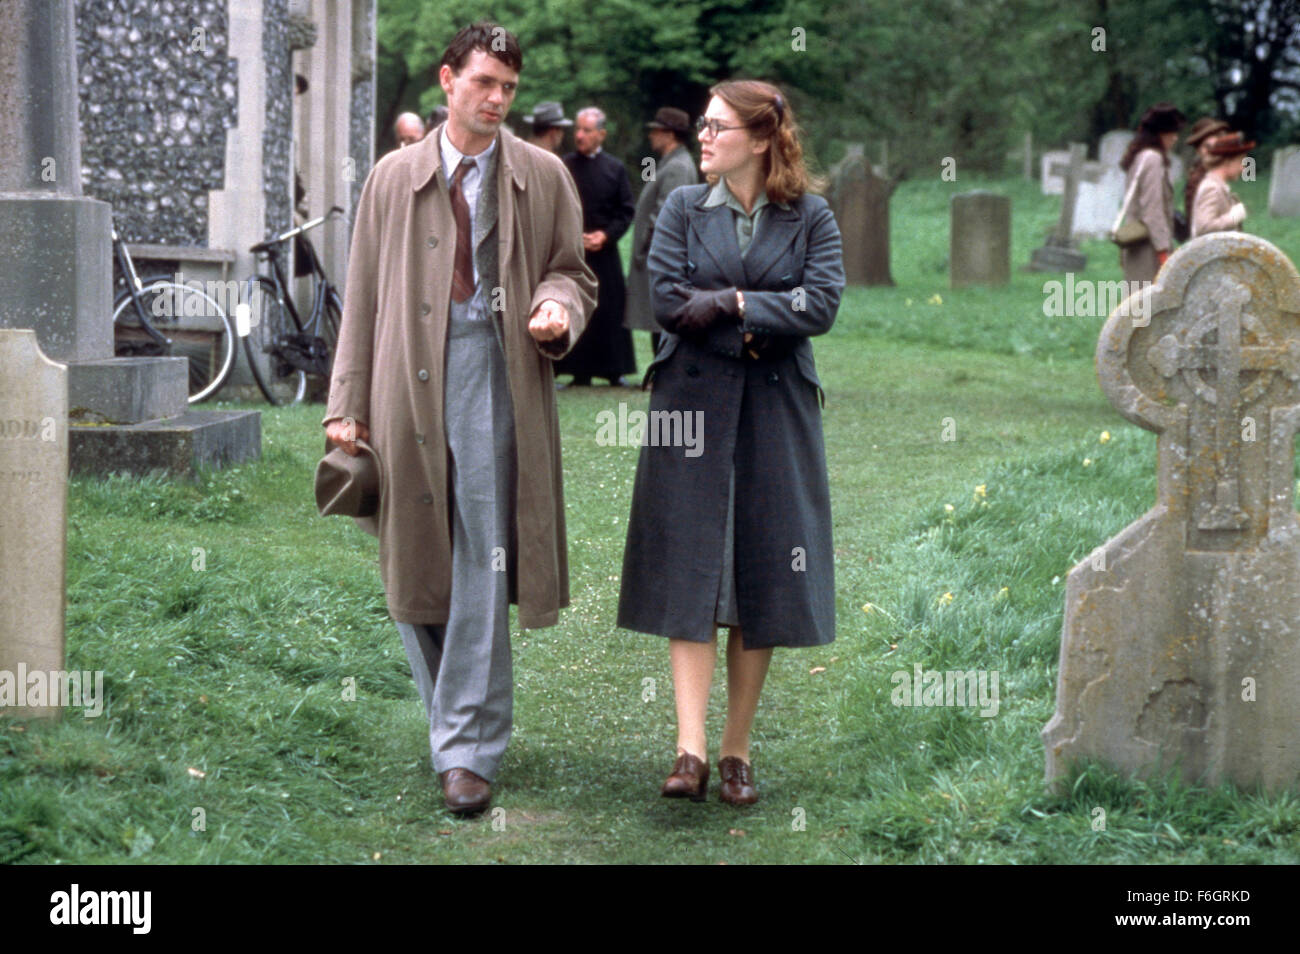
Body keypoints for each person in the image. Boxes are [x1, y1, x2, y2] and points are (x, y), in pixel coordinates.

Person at [322, 21, 596, 815]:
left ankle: (468, 750)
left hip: (496, 370)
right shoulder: (391, 177)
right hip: (402, 379)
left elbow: (573, 274)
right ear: (448, 81)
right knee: (413, 556)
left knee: (486, 553)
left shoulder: (543, 175)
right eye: (484, 84)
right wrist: (345, 404)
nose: (497, 100)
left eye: (508, 89)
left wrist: (553, 305)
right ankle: (458, 727)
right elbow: (363, 296)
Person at [617, 80, 844, 805]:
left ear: (762, 137)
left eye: (717, 127)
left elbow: (822, 304)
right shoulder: (684, 206)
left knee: (764, 566)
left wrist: (737, 301)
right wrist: (752, 311)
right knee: (691, 565)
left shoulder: (811, 216)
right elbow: (667, 302)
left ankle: (737, 750)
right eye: (703, 126)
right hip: (690, 405)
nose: (703, 138)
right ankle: (688, 750)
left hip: (777, 408)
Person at [555, 107, 638, 387]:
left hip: (604, 251)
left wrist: (605, 235)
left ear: (601, 134)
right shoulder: (565, 165)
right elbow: (556, 208)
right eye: (577, 129)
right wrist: (573, 236)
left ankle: (614, 371)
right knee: (577, 308)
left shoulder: (615, 168)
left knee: (609, 309)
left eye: (587, 131)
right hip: (575, 252)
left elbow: (627, 211)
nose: (579, 135)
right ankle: (579, 372)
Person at [625, 106, 699, 359]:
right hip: (657, 253)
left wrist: (645, 245)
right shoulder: (670, 163)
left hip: (660, 255)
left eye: (656, 131)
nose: (651, 136)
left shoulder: (677, 166)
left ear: (670, 134)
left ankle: (664, 370)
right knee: (658, 317)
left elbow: (664, 213)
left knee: (662, 315)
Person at [1118, 102, 1185, 285]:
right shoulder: (1153, 159)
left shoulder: (1140, 156)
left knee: (1138, 306)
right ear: (1160, 133)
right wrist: (1163, 252)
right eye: (1172, 132)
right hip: (1148, 247)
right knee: (1147, 307)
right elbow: (1152, 211)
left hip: (1136, 244)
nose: (1175, 138)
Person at [1191, 132, 1255, 237]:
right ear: (1228, 161)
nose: (1243, 168)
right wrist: (1233, 218)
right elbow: (1203, 228)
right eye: (1241, 162)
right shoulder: (1212, 188)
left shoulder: (1217, 185)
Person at [1182, 116, 1230, 236]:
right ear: (1199, 151)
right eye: (1206, 147)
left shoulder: (1216, 173)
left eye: (1216, 146)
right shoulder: (1198, 179)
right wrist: (1233, 217)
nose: (1212, 151)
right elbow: (1198, 225)